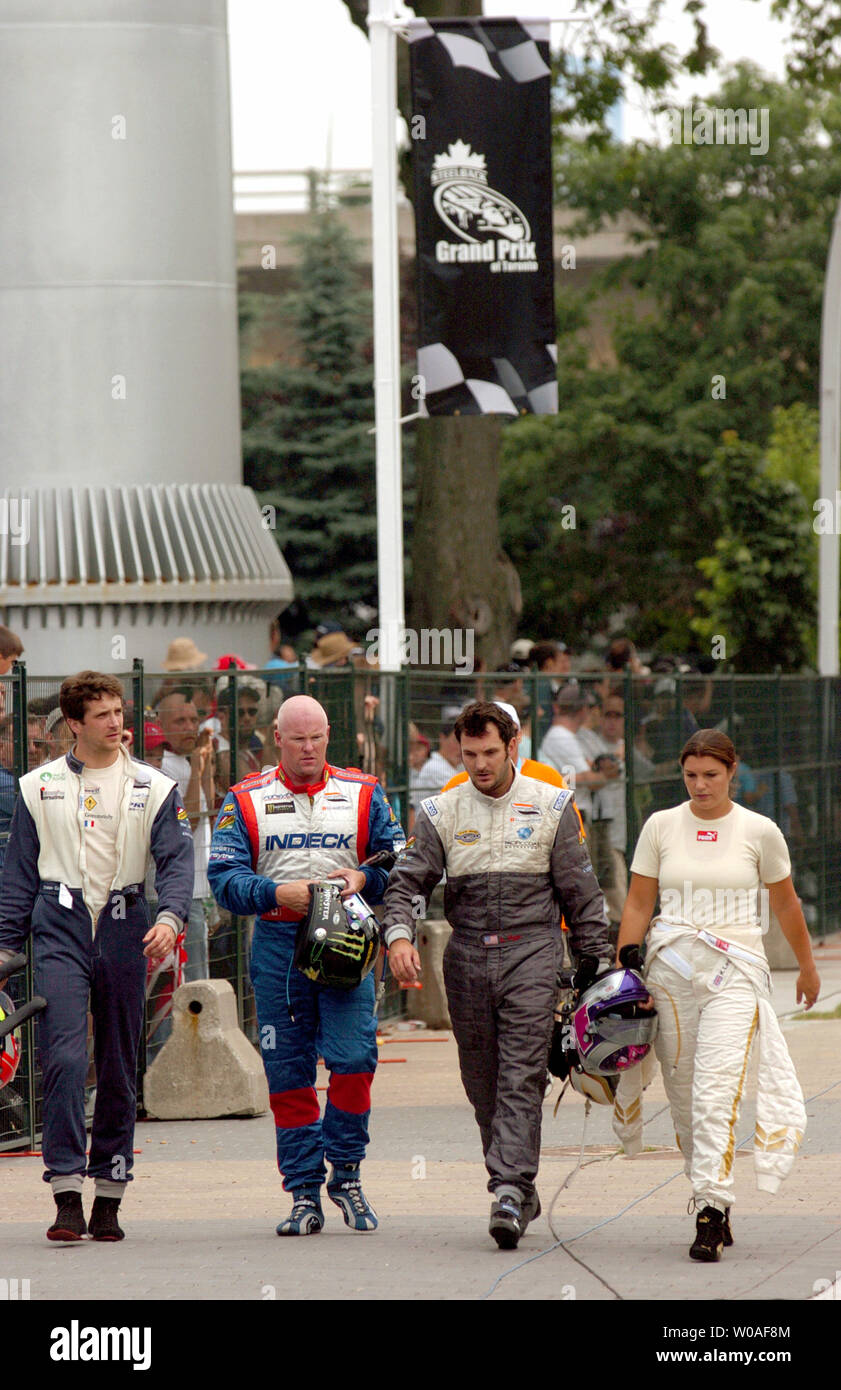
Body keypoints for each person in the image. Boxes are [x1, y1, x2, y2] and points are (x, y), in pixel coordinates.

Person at [383, 701, 610, 1250]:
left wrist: (595, 964)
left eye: (490, 753)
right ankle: (515, 1184)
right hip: (465, 955)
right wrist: (397, 935)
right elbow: (407, 883)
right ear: (458, 752)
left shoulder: (552, 804)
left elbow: (581, 892)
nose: (480, 764)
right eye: (469, 754)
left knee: (521, 1073)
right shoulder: (440, 810)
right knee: (481, 1079)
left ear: (513, 748)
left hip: (532, 950)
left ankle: (508, 1188)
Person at [0, 671, 193, 1242]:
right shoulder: (37, 786)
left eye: (119, 711)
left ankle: (109, 1191)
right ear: (74, 725)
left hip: (126, 923)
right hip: (58, 924)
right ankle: (64, 1190)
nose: (116, 722)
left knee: (116, 1061)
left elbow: (177, 863)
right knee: (62, 1055)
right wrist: (7, 947)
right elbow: (17, 875)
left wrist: (169, 918)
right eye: (103, 714)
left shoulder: (154, 786)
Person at [616, 728, 821, 1263]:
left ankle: (710, 1209)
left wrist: (806, 966)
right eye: (691, 775)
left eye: (711, 774)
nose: (701, 785)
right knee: (684, 1099)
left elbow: (785, 904)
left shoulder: (760, 830)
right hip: (669, 971)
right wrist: (628, 967)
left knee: (715, 1091)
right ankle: (709, 1189)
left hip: (734, 971)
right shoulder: (661, 825)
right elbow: (639, 903)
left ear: (732, 771)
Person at [207, 694, 406, 1237]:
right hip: (277, 944)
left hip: (347, 940)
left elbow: (399, 856)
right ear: (278, 739)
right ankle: (302, 1192)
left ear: (328, 736)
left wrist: (365, 878)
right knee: (287, 1072)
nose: (309, 748)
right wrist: (277, 891)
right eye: (298, 738)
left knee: (356, 1058)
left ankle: (346, 1171)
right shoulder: (245, 797)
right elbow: (222, 878)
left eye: (317, 737)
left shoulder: (363, 791)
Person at [155, 690, 215, 983]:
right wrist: (196, 769)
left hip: (201, 887)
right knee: (188, 982)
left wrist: (204, 768)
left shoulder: (189, 760)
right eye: (180, 720)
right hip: (179, 894)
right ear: (161, 724)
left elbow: (210, 813)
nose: (190, 727)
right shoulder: (161, 765)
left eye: (194, 719)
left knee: (198, 976)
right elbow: (187, 826)